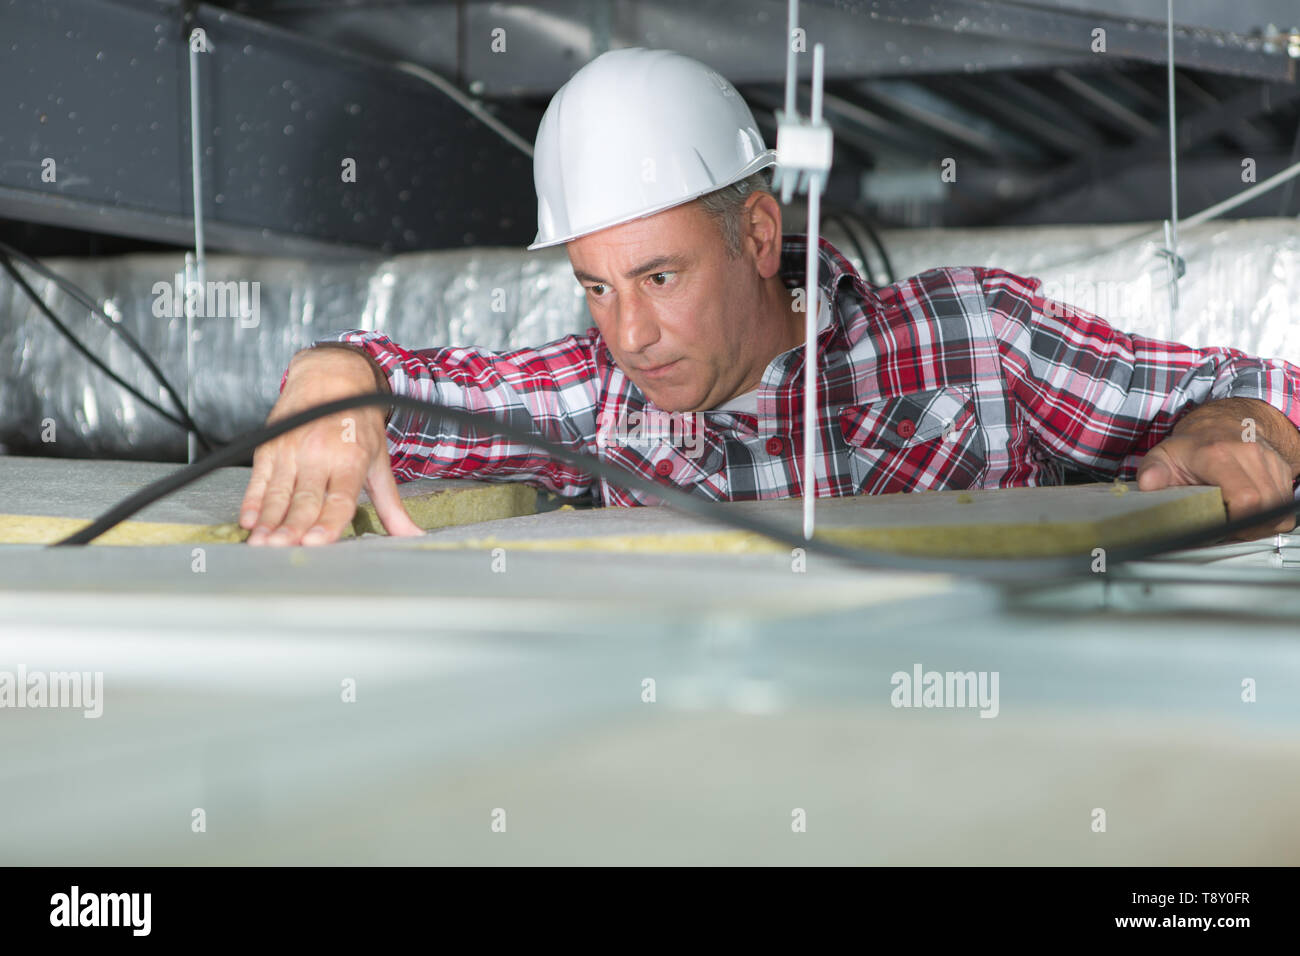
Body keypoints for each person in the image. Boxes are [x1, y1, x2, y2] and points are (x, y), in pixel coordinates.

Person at [240, 48, 1300, 547]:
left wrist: (1233, 427)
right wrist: (336, 381)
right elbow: (412, 390)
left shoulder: (977, 338)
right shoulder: (597, 398)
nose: (631, 333)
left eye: (659, 276)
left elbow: (1247, 387)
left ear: (756, 236)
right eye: (595, 288)